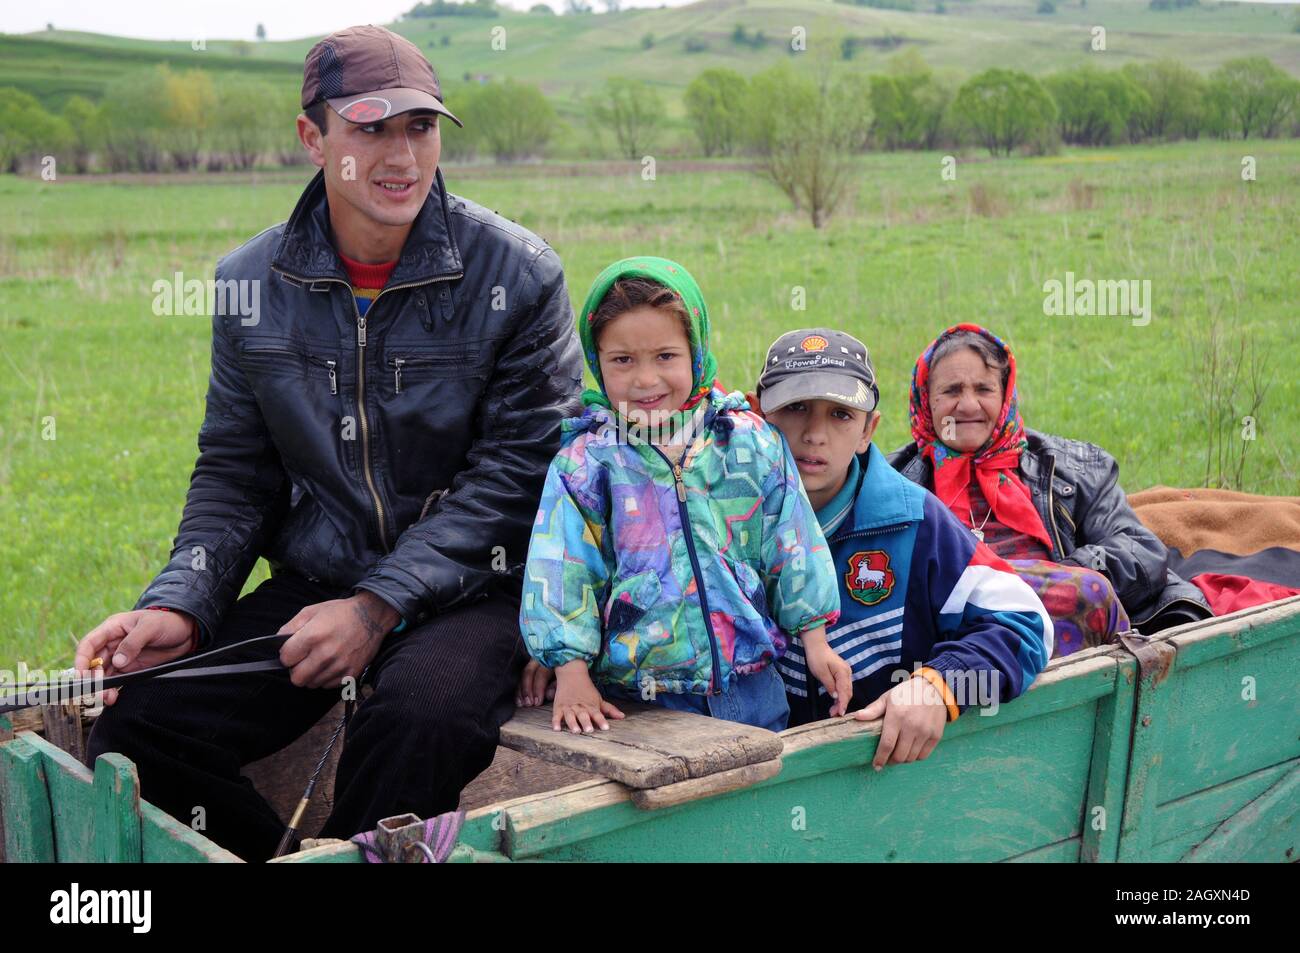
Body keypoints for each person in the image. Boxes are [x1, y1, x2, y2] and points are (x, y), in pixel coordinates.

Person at [74, 25, 583, 861]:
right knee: (140, 730)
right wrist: (181, 603)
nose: (402, 155)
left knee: (417, 716)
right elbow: (237, 473)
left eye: (420, 127)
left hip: (480, 588)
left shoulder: (518, 275)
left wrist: (378, 606)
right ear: (313, 138)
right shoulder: (252, 284)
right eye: (371, 126)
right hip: (325, 574)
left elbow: (518, 478)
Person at [516, 257, 851, 735]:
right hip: (639, 701)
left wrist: (816, 643)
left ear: (696, 351)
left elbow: (793, 543)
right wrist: (571, 674)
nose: (646, 380)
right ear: (596, 362)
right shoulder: (587, 465)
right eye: (622, 360)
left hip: (752, 688)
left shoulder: (750, 443)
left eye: (665, 356)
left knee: (757, 804)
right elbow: (562, 569)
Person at [754, 328, 1053, 767]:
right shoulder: (722, 521)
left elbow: (1027, 623)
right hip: (751, 782)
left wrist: (940, 686)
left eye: (840, 414)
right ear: (757, 416)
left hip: (888, 778)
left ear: (867, 431)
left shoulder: (913, 521)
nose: (815, 434)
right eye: (795, 408)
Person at [889, 323, 1211, 654]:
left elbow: (1140, 550)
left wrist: (1056, 581)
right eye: (952, 391)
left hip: (1069, 642)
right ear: (926, 400)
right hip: (952, 642)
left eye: (984, 389)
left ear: (1005, 396)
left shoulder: (1075, 467)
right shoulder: (893, 484)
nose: (968, 405)